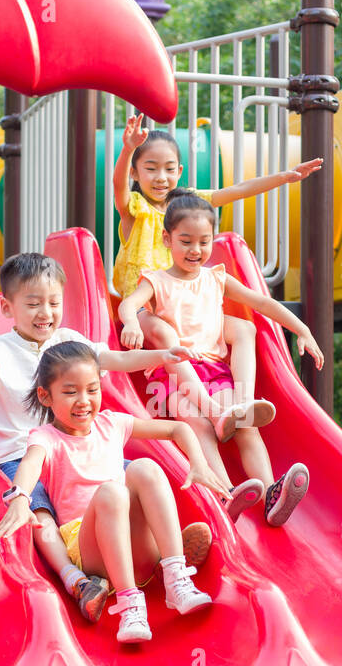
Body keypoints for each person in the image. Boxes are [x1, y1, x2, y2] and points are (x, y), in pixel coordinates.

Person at [0, 253, 227, 623]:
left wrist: (163, 355)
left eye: (53, 303)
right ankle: (77, 579)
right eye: (33, 304)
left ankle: (166, 556)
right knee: (39, 513)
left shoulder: (67, 341)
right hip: (21, 453)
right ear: (7, 307)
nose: (45, 313)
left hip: (79, 444)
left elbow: (113, 360)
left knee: (138, 476)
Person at [0, 341, 228, 644]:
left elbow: (177, 430)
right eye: (70, 391)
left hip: (134, 549)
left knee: (145, 468)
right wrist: (21, 496)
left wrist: (199, 464)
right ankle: (130, 605)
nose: (84, 400)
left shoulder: (112, 423)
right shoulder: (46, 437)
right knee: (113, 492)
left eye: (92, 389)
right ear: (45, 396)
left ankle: (176, 578)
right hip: (93, 556)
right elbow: (31, 463)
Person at [119, 191, 323, 527]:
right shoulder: (158, 280)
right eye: (186, 241)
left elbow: (263, 304)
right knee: (199, 426)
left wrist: (303, 330)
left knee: (245, 427)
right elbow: (129, 304)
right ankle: (225, 494)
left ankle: (272, 494)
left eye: (204, 241)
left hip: (214, 370)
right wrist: (130, 322)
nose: (196, 250)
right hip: (174, 374)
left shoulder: (216, 278)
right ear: (167, 239)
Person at [111, 115, 321, 436]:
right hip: (146, 309)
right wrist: (127, 151)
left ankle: (241, 404)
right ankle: (214, 410)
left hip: (187, 308)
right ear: (136, 174)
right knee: (167, 335)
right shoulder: (134, 209)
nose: (160, 176)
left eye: (169, 168)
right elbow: (117, 187)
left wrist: (282, 178)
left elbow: (235, 191)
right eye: (150, 168)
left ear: (179, 172)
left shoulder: (187, 204)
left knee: (243, 328)